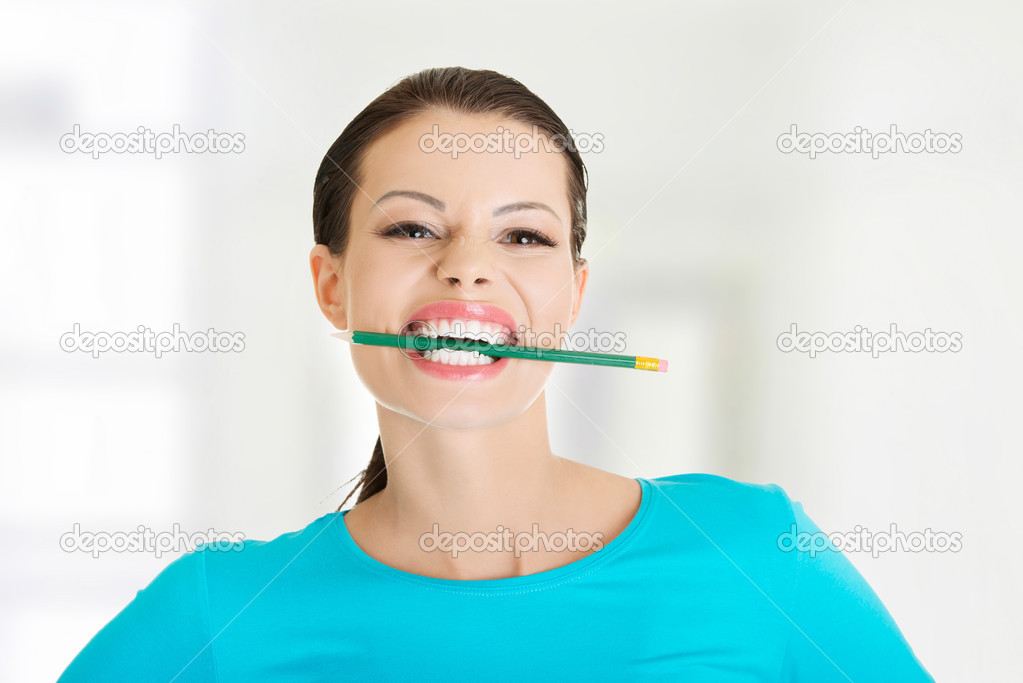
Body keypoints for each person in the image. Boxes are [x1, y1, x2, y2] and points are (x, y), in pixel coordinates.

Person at [58, 66, 934, 681]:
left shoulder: (758, 554)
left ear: (573, 294)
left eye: (522, 235)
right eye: (410, 228)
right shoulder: (219, 608)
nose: (467, 267)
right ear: (332, 286)